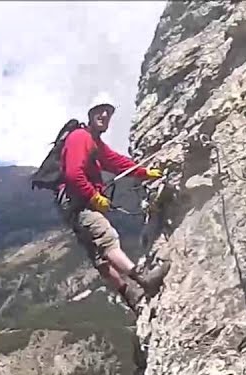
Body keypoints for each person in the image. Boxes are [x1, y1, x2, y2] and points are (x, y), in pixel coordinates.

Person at [57, 102, 169, 311]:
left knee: (100, 256)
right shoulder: (81, 137)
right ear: (90, 115)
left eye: (109, 113)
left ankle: (130, 295)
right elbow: (73, 174)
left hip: (71, 204)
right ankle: (144, 280)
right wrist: (94, 197)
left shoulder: (95, 143)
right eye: (100, 111)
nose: (105, 115)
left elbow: (116, 162)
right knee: (108, 239)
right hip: (79, 202)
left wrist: (144, 172)